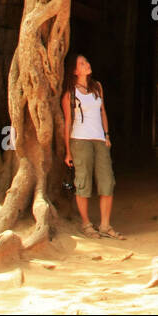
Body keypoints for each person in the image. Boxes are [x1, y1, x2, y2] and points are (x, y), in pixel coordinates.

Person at [61, 54, 124, 239]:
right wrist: (67, 151)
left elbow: (102, 111)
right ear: (74, 71)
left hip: (99, 140)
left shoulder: (97, 87)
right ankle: (86, 224)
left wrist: (106, 135)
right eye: (81, 63)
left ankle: (105, 225)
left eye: (87, 61)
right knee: (83, 182)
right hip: (79, 140)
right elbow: (67, 123)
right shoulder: (70, 94)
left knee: (107, 181)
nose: (87, 64)